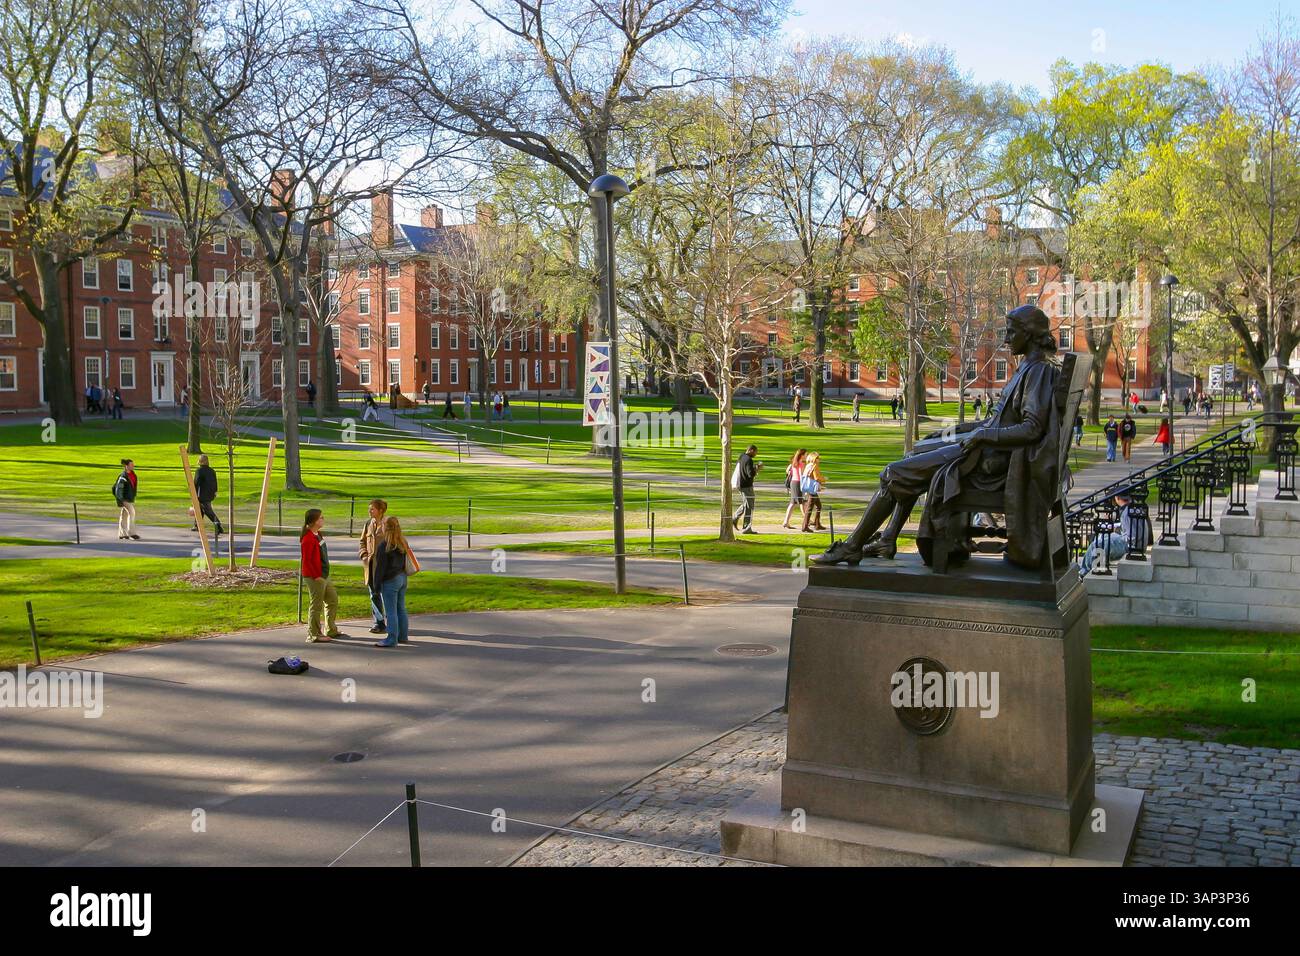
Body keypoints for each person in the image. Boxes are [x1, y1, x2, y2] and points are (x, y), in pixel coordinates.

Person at [813, 305, 1060, 567]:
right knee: (912, 455)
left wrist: (982, 435)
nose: (1007, 339)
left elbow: (1032, 428)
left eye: (1011, 333)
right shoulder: (1030, 367)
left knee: (892, 473)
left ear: (1030, 333)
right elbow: (998, 420)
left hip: (992, 463)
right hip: (988, 451)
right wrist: (954, 430)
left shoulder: (1039, 371)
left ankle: (852, 546)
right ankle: (888, 538)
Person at [370, 516, 412, 647]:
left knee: (391, 611)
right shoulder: (402, 541)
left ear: (385, 527)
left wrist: (376, 585)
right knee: (401, 608)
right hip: (402, 577)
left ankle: (392, 638)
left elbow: (380, 568)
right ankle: (403, 636)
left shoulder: (384, 546)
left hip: (390, 580)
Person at [300, 509, 340, 643]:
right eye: (321, 518)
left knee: (332, 599)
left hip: (324, 575)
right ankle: (314, 634)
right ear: (314, 521)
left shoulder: (318, 534)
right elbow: (307, 561)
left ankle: (331, 629)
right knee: (316, 605)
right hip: (314, 576)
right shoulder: (307, 538)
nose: (323, 519)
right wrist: (316, 576)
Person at [358, 499, 389, 634]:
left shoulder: (388, 524)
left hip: (386, 568)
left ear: (380, 511)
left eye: (372, 509)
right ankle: (379, 622)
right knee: (374, 595)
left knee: (387, 595)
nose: (369, 511)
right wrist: (364, 555)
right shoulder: (368, 524)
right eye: (369, 509)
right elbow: (362, 542)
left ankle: (393, 622)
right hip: (371, 567)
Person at [731, 444, 760, 534]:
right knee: (750, 506)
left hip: (740, 484)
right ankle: (746, 527)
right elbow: (750, 474)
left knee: (746, 504)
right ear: (751, 450)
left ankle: (735, 518)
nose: (755, 454)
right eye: (755, 452)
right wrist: (757, 468)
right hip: (746, 486)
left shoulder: (741, 456)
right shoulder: (749, 460)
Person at [193, 453, 224, 537]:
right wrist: (215, 492)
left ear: (200, 462)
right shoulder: (212, 471)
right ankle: (197, 525)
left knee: (208, 511)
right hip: (210, 493)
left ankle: (218, 525)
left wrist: (194, 494)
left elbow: (196, 483)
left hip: (202, 494)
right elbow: (215, 482)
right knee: (199, 509)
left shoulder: (199, 471)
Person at [113, 458, 141, 540]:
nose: (133, 466)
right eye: (131, 465)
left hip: (130, 498)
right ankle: (131, 533)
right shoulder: (123, 477)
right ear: (126, 466)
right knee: (132, 512)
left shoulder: (133, 475)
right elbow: (118, 489)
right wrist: (120, 500)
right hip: (124, 499)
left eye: (133, 464)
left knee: (124, 515)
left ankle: (122, 534)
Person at [800, 451, 827, 532]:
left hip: (809, 488)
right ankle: (805, 526)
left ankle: (817, 524)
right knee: (810, 508)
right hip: (812, 489)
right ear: (813, 458)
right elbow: (816, 478)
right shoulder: (814, 466)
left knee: (818, 505)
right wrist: (824, 479)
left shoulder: (808, 466)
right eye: (817, 458)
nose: (819, 460)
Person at [782, 449, 807, 529]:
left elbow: (787, 470)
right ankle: (807, 520)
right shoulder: (801, 463)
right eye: (806, 454)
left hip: (793, 482)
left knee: (793, 503)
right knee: (801, 502)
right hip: (798, 483)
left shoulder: (794, 462)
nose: (806, 456)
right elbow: (801, 474)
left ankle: (786, 522)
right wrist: (804, 485)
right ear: (802, 455)